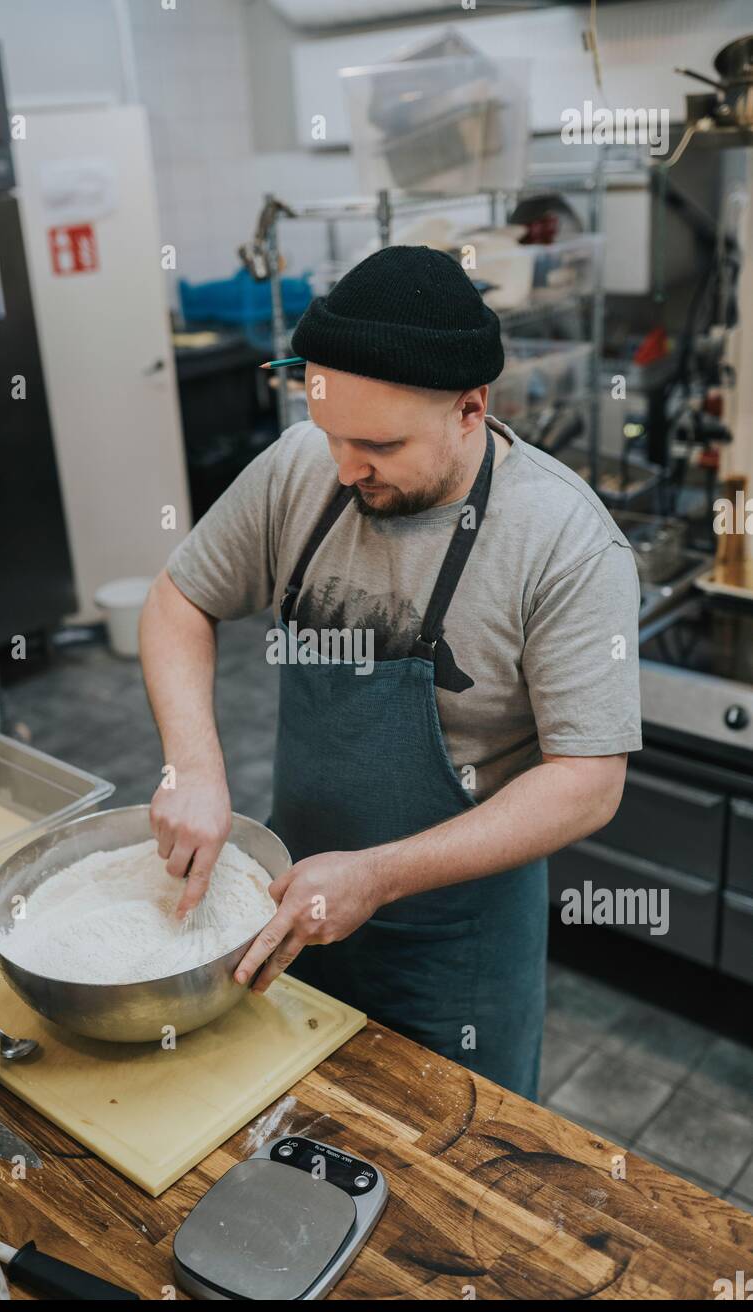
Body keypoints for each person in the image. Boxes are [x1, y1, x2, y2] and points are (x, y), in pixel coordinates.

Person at [140, 245, 641, 1100]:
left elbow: (588, 782)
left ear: (471, 410)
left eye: (378, 444)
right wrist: (194, 765)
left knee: (451, 1174)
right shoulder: (301, 468)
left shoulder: (565, 544)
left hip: (455, 947)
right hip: (288, 901)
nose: (344, 468)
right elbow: (178, 601)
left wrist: (377, 874)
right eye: (332, 433)